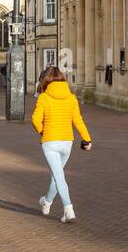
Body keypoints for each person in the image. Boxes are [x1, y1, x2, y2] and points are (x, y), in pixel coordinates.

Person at [30, 66, 91, 223]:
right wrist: (87, 139)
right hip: (66, 142)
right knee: (57, 176)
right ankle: (47, 202)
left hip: (50, 142)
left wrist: (42, 131)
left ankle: (68, 209)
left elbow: (35, 120)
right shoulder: (71, 98)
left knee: (59, 176)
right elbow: (77, 120)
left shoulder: (44, 98)